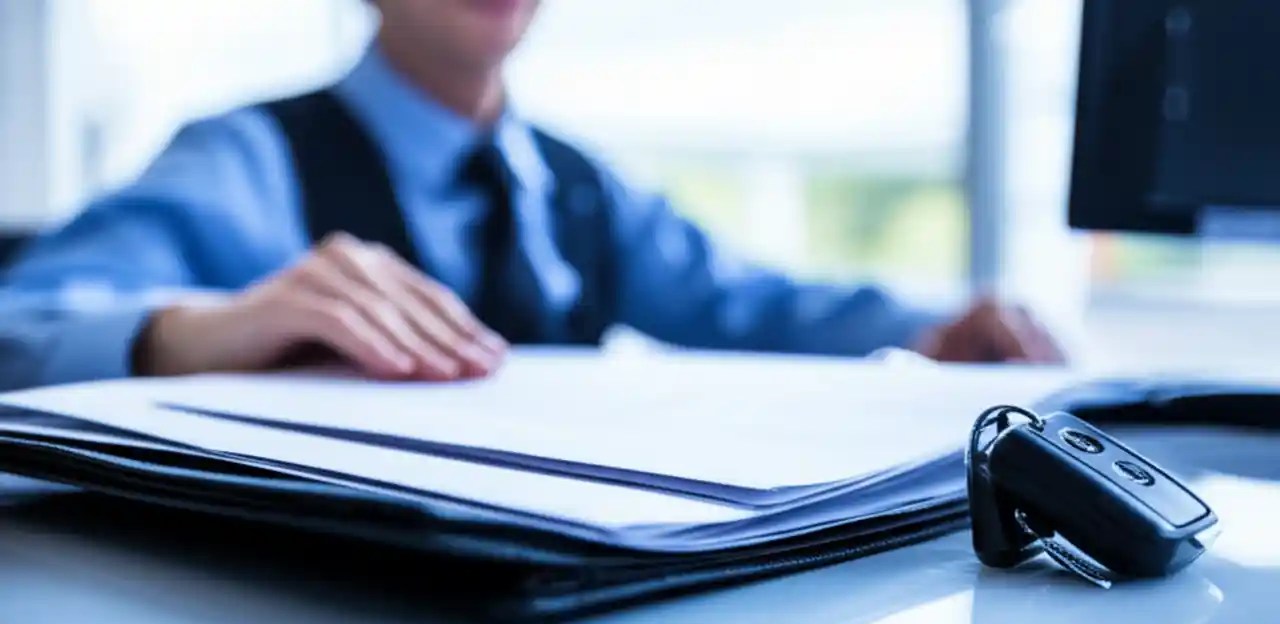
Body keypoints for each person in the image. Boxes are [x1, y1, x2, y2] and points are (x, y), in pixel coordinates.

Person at [0, 0, 1063, 390]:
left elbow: (748, 303)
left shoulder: (579, 188)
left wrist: (935, 322)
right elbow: (18, 324)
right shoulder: (245, 158)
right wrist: (195, 329)